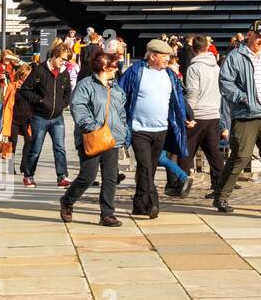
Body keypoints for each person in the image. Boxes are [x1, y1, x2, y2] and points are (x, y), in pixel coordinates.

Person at [212, 20, 261, 214]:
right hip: (245, 116)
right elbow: (225, 82)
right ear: (249, 34)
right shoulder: (236, 56)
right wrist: (242, 97)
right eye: (259, 35)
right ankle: (221, 196)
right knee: (240, 157)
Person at [118, 39, 190, 219]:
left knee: (148, 168)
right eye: (165, 57)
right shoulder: (135, 71)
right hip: (138, 129)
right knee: (145, 166)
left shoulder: (170, 75)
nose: (168, 60)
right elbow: (120, 95)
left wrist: (187, 116)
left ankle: (139, 205)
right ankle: (153, 204)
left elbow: (178, 98)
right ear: (153, 56)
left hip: (162, 129)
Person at [60, 49, 129, 227]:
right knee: (88, 176)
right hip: (92, 137)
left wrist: (123, 129)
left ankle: (107, 214)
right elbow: (78, 107)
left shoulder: (116, 87)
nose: (116, 68)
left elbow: (121, 111)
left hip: (111, 138)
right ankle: (67, 200)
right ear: (104, 66)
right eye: (113, 65)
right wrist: (92, 126)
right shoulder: (86, 85)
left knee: (110, 177)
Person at [17, 42, 75, 188]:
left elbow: (68, 91)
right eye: (62, 59)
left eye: (66, 60)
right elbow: (25, 90)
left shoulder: (64, 73)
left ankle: (62, 176)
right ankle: (28, 175)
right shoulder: (39, 70)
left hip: (57, 117)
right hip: (40, 117)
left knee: (60, 148)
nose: (64, 63)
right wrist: (39, 100)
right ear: (54, 56)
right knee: (36, 148)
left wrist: (64, 103)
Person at [179, 33, 227, 199]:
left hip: (198, 115)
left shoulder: (194, 68)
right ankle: (221, 187)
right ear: (207, 48)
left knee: (186, 152)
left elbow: (193, 93)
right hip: (213, 114)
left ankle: (182, 184)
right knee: (214, 153)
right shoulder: (216, 67)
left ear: (193, 49)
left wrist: (187, 114)